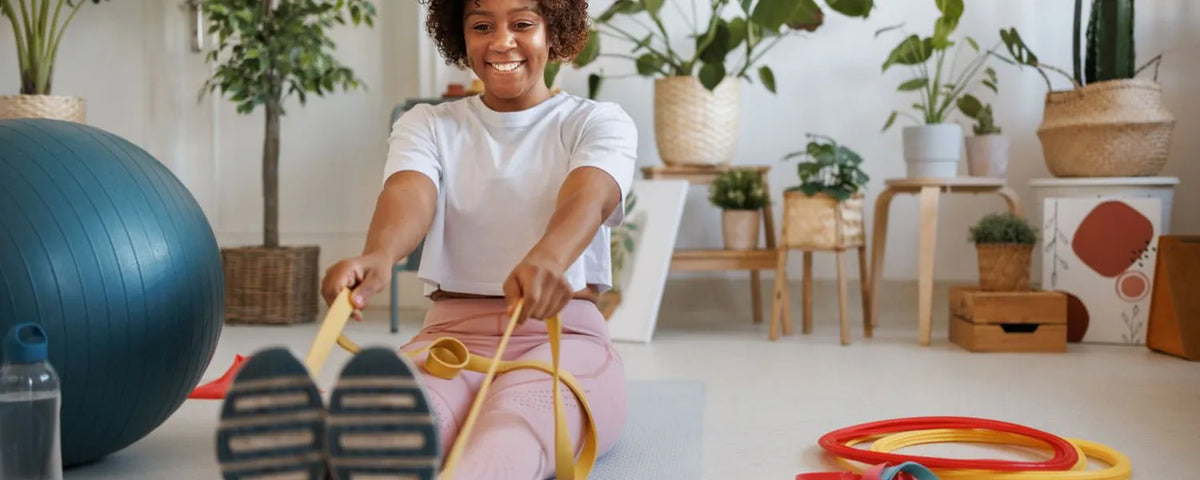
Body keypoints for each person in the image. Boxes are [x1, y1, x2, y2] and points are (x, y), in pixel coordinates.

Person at [215, 1, 637, 479]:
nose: (501, 41)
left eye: (522, 24)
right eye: (482, 27)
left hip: (565, 338)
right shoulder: (428, 124)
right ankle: (326, 448)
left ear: (554, 31)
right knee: (413, 417)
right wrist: (379, 256)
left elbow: (590, 195)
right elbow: (410, 192)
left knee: (514, 426)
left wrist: (550, 258)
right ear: (460, 37)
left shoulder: (598, 121)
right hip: (449, 339)